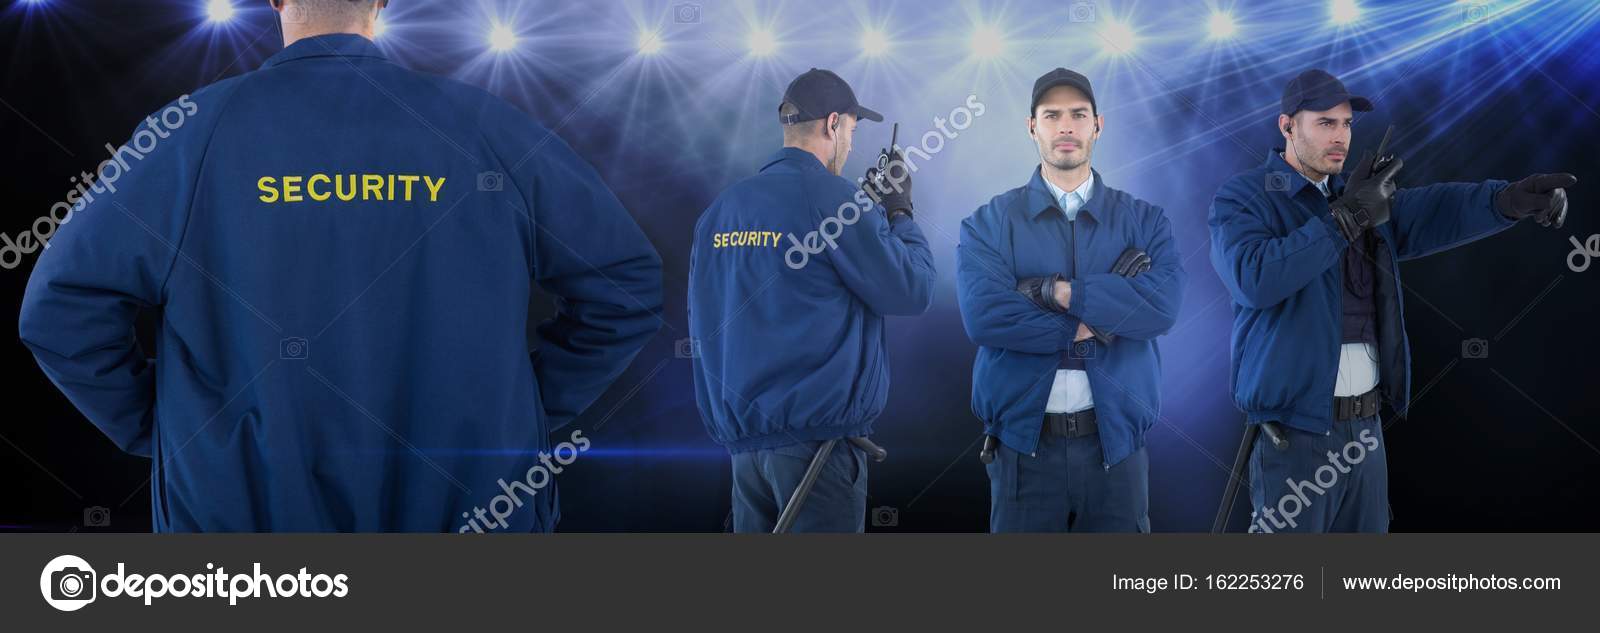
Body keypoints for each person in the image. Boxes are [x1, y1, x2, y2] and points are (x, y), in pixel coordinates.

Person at [18, 0, 663, 532]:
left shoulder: (191, 134)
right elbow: (623, 286)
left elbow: (59, 311)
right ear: (381, 3)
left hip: (244, 533)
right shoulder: (489, 128)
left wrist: (170, 430)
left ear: (275, 1)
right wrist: (523, 408)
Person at [1208, 68, 1576, 532]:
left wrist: (1507, 201)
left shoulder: (1359, 198)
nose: (1340, 136)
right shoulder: (1245, 198)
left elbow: (1434, 211)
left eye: (1346, 124)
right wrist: (1347, 218)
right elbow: (1254, 278)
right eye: (1325, 123)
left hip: (1364, 434)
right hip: (1294, 438)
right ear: (1287, 126)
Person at [688, 68, 935, 532]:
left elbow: (701, 318)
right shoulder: (838, 202)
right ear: (833, 124)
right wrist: (898, 212)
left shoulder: (721, 211)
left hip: (745, 454)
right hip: (818, 453)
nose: (849, 146)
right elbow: (912, 289)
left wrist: (862, 216)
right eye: (852, 133)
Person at [956, 68, 1186, 532]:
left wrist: (1061, 292)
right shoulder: (988, 222)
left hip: (1116, 453)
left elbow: (1162, 309)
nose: (1066, 127)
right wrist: (1092, 321)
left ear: (1097, 125)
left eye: (1079, 115)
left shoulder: (1145, 220)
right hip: (1022, 452)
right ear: (1032, 126)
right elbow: (985, 318)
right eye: (1052, 115)